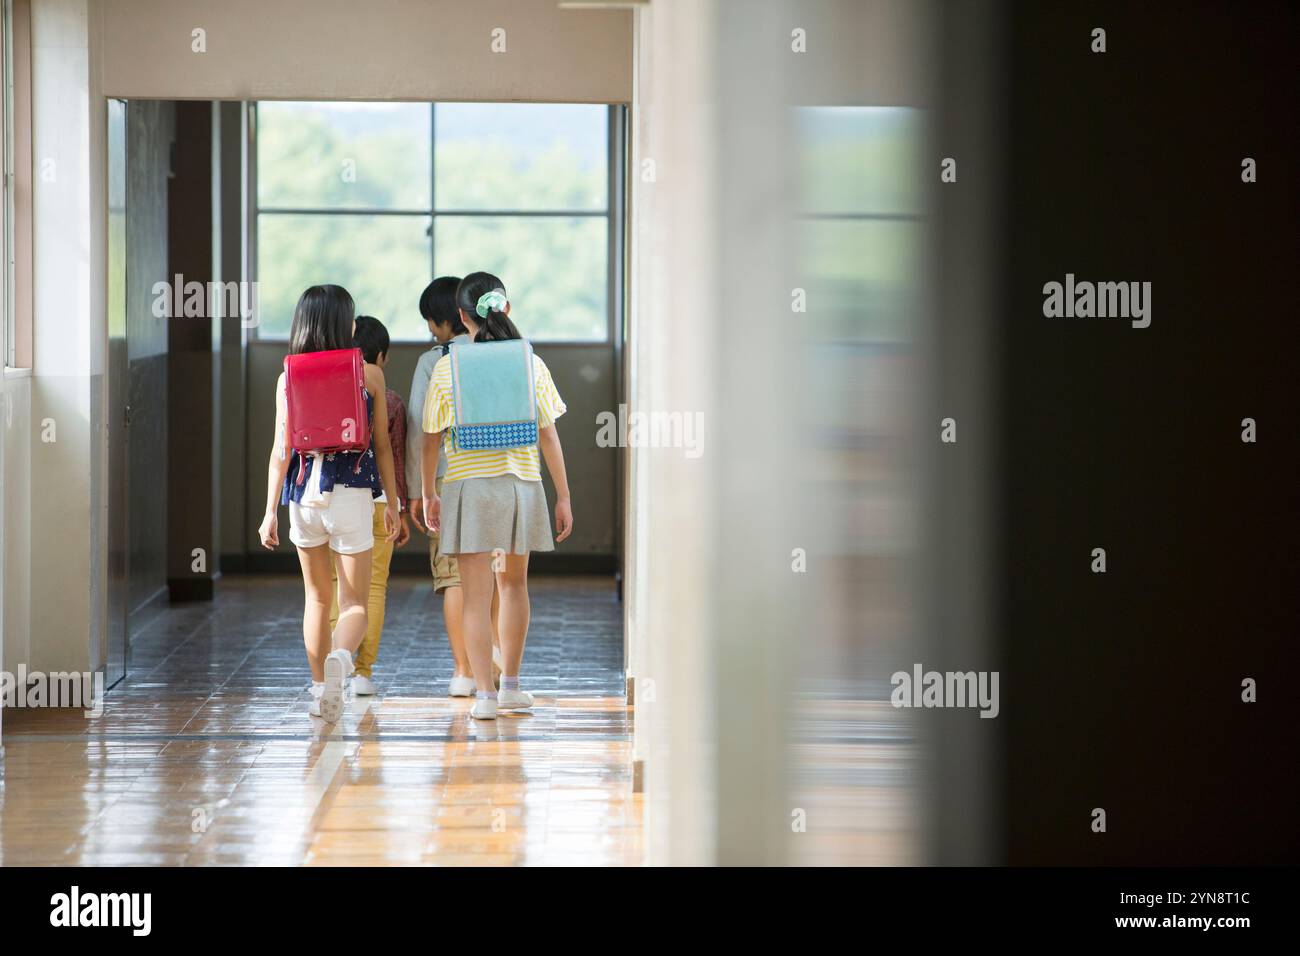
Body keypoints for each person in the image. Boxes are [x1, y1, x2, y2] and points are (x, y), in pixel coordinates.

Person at [421, 272, 573, 720]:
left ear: (461, 316)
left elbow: (431, 437)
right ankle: (510, 686)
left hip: (468, 488)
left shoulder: (450, 365)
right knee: (514, 586)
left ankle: (484, 697)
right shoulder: (531, 362)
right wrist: (563, 495)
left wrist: (429, 491)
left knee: (474, 595)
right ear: (505, 309)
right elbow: (549, 435)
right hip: (521, 485)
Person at [257, 285, 400, 723]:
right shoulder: (368, 375)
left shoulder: (288, 376)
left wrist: (268, 513)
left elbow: (281, 450)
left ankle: (321, 691)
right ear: (346, 324)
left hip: (302, 496)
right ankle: (342, 656)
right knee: (354, 601)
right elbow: (380, 445)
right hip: (353, 492)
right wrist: (392, 501)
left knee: (317, 599)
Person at [407, 277, 501, 696]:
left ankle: (464, 671)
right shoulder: (507, 352)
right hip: (501, 473)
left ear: (452, 319)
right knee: (497, 574)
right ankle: (496, 664)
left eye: (432, 322)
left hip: (448, 476)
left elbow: (419, 429)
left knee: (455, 577)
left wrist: (417, 490)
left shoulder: (436, 360)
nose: (431, 331)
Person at [326, 315, 411, 696]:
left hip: (329, 495)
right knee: (372, 588)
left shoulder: (323, 380)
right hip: (376, 498)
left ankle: (334, 659)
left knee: (330, 587)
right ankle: (362, 673)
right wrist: (399, 505)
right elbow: (391, 452)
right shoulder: (388, 397)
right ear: (382, 356)